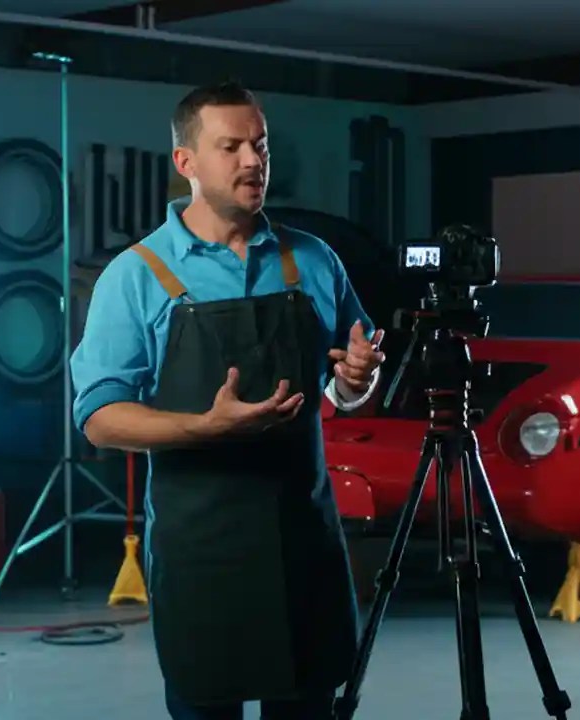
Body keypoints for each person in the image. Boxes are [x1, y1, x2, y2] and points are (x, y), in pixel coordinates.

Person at [70, 80, 385, 720]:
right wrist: (205, 426)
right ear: (186, 162)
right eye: (231, 146)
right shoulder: (134, 277)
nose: (252, 161)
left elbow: (348, 387)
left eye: (260, 145)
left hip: (306, 544)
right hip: (201, 553)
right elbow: (100, 420)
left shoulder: (315, 261)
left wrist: (356, 377)